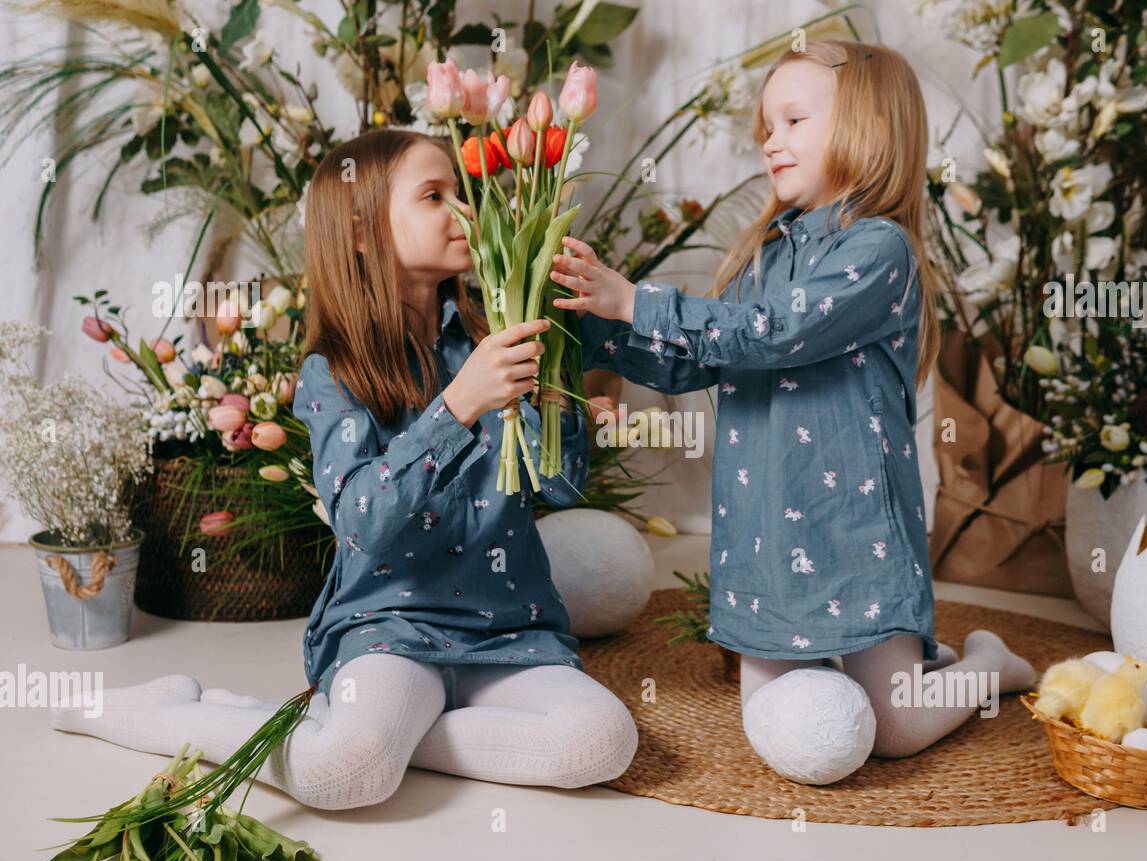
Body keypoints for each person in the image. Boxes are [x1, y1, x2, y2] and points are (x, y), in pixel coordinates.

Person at [51, 130, 638, 809]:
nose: (465, 212)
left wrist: (555, 369)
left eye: (461, 192)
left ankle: (381, 731)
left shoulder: (494, 334)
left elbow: (561, 488)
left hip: (510, 626)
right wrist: (458, 406)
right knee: (343, 775)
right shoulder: (331, 373)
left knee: (601, 743)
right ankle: (155, 713)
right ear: (361, 234)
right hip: (391, 627)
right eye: (433, 196)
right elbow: (363, 523)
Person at [558, 41, 1036, 784]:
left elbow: (774, 331)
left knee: (899, 728)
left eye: (792, 120)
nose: (770, 141)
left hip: (853, 526)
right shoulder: (768, 253)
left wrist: (637, 299)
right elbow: (703, 357)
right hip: (766, 531)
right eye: (765, 127)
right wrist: (591, 326)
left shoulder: (880, 250)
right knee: (778, 725)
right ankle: (888, 662)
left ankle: (986, 666)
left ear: (867, 130)